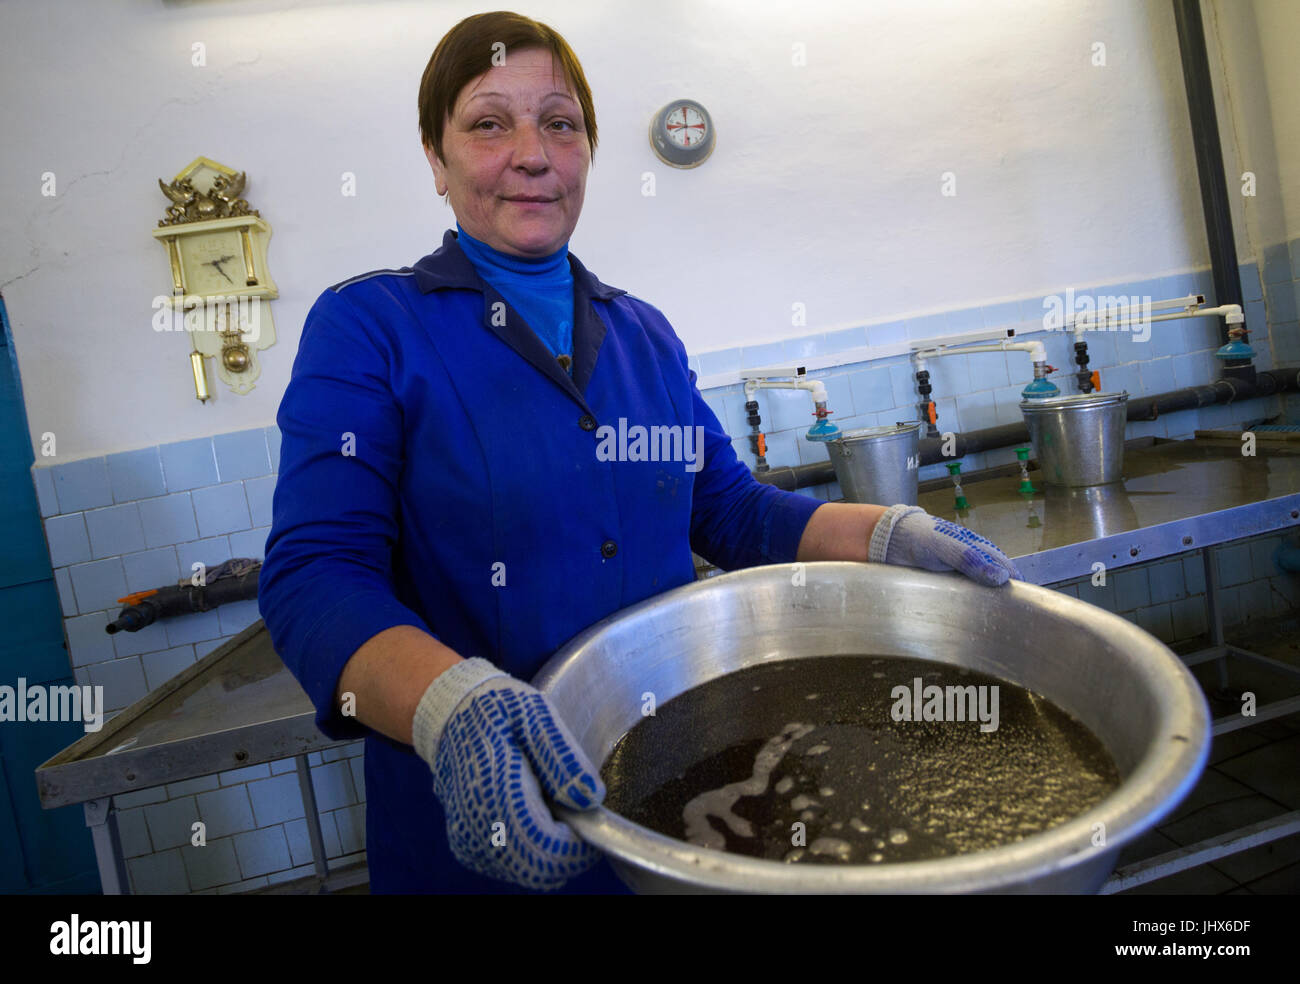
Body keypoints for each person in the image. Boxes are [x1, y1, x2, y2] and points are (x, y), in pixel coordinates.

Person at [258, 10, 1021, 894]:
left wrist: (889, 533)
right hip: (484, 832)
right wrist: (449, 706)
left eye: (560, 122)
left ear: (586, 149)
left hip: (676, 801)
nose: (533, 154)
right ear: (436, 158)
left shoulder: (642, 335)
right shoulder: (370, 329)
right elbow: (314, 575)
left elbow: (731, 512)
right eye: (489, 123)